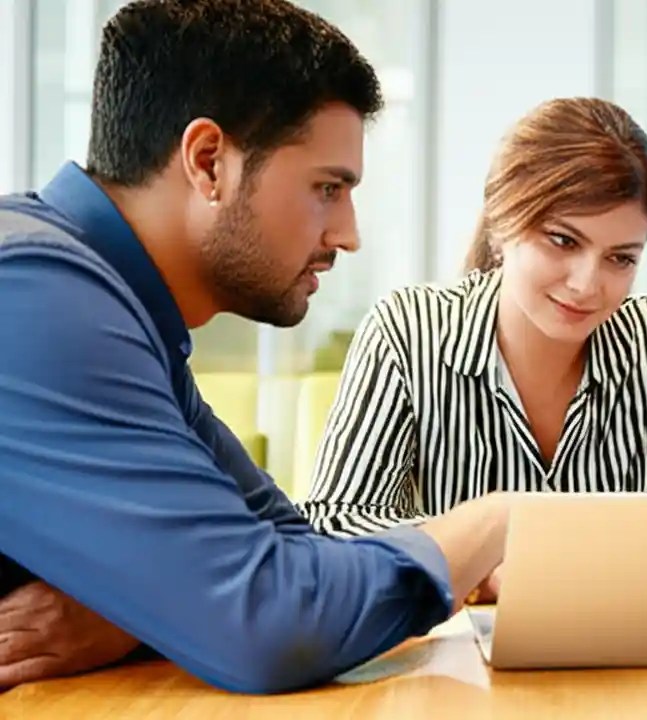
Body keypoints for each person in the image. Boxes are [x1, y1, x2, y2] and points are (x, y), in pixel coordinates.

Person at [0, 0, 509, 692]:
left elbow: (290, 554)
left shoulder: (123, 313)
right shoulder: (36, 296)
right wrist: (499, 517)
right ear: (209, 162)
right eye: (327, 188)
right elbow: (270, 622)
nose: (348, 234)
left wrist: (140, 609)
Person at [299, 97, 647, 599]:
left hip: (622, 653)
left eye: (620, 259)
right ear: (502, 221)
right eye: (562, 241)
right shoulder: (409, 329)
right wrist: (478, 570)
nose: (586, 284)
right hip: (459, 659)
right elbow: (335, 524)